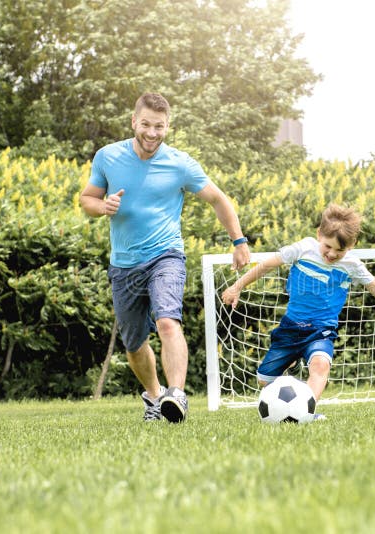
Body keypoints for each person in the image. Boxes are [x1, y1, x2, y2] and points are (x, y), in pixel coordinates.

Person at [79, 92, 250, 423]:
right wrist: (103, 207)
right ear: (134, 122)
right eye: (146, 125)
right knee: (134, 344)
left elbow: (218, 199)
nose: (152, 133)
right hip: (124, 264)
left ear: (167, 127)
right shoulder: (107, 157)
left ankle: (177, 396)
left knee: (168, 321)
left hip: (166, 255)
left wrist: (239, 240)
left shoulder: (180, 163)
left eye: (159, 126)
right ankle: (156, 398)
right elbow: (87, 199)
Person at [221, 203, 375, 417]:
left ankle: (307, 412)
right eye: (328, 246)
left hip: (322, 329)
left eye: (340, 250)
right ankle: (292, 360)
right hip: (291, 328)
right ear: (319, 234)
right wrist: (236, 286)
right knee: (264, 379)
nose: (332, 253)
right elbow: (267, 265)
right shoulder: (303, 248)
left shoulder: (352, 265)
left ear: (351, 245)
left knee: (320, 366)